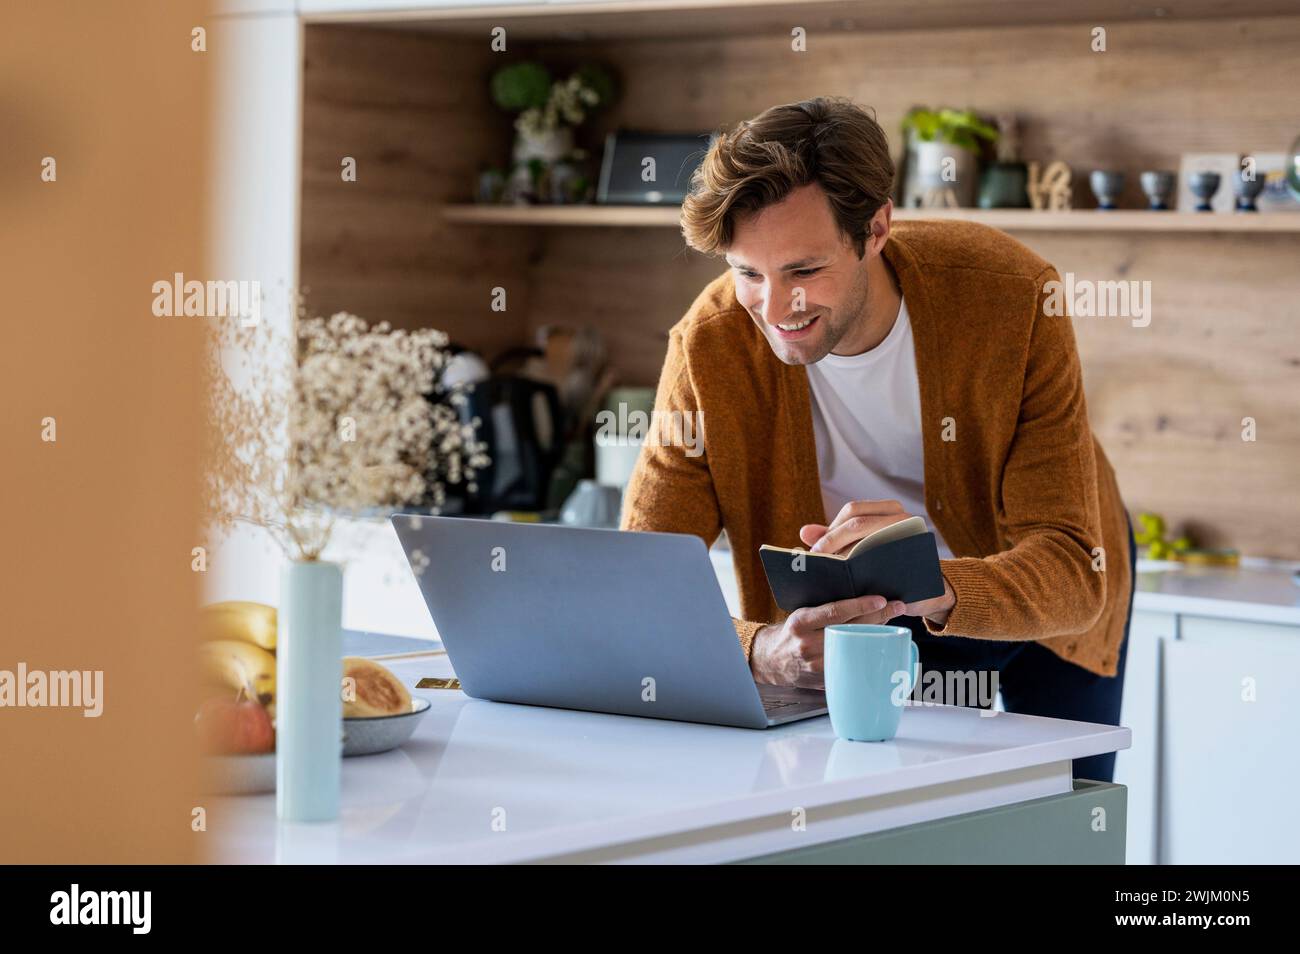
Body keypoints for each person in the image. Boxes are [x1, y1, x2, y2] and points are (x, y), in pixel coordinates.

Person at [620, 97, 1135, 782]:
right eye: (747, 273)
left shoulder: (1011, 298)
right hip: (869, 621)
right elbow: (643, 586)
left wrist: (927, 582)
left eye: (804, 271)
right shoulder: (709, 345)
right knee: (889, 821)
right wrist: (759, 649)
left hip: (1036, 590)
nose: (776, 311)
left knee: (1070, 819)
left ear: (876, 229)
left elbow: (1074, 575)